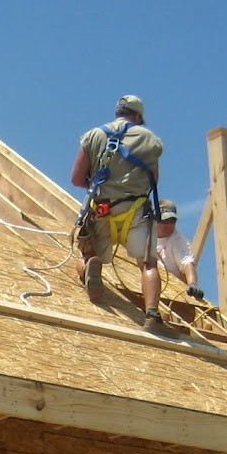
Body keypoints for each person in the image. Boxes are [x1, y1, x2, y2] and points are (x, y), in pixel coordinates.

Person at [72, 94, 165, 332]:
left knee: (85, 252)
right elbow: (154, 179)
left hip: (102, 208)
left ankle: (91, 265)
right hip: (136, 210)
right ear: (137, 116)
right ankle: (152, 314)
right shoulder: (150, 139)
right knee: (148, 264)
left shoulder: (93, 135)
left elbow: (77, 179)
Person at [154, 199, 206, 301]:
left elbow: (187, 262)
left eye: (172, 221)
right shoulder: (146, 235)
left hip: (171, 293)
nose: (169, 225)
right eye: (165, 221)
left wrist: (192, 284)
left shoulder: (177, 239)